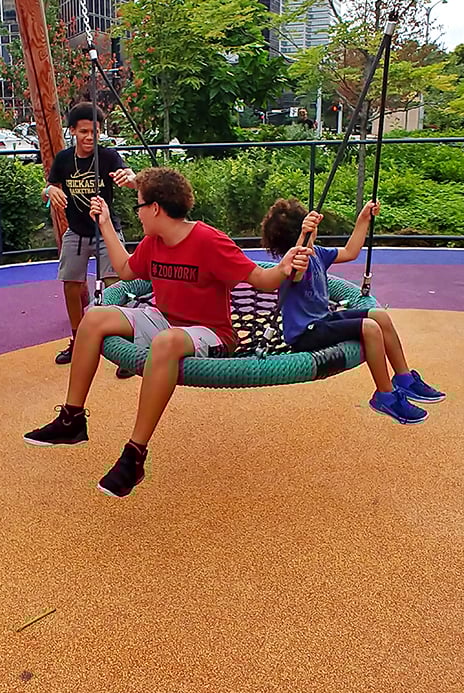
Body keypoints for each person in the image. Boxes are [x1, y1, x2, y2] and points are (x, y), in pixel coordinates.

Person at [25, 167, 312, 498]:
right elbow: (125, 269)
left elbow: (263, 280)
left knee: (167, 342)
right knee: (94, 319)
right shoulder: (154, 242)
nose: (138, 214)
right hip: (165, 320)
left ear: (156, 208)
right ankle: (72, 419)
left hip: (211, 333)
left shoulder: (209, 241)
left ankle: (134, 455)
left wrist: (285, 267)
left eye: (139, 206)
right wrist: (104, 224)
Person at [261, 197, 446, 425]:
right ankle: (385, 395)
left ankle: (404, 378)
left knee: (379, 316)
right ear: (303, 232)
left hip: (323, 320)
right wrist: (303, 238)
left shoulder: (317, 252)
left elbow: (350, 252)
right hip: (305, 334)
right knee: (369, 328)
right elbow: (298, 271)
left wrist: (363, 219)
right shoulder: (293, 263)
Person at [43, 102, 137, 371]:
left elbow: (130, 177)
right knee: (71, 284)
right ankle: (77, 339)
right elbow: (48, 188)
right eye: (83, 131)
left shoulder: (108, 157)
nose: (89, 137)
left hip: (105, 229)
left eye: (94, 132)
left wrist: (129, 177)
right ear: (72, 131)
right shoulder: (63, 159)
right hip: (77, 230)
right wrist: (51, 192)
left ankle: (123, 345)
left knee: (115, 284)